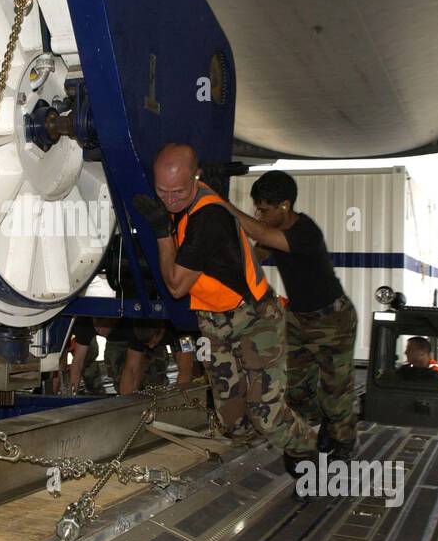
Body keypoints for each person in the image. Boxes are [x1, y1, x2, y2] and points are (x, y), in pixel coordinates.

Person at [133, 144, 316, 467]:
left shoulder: (210, 219)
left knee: (267, 415)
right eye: (162, 191)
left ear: (196, 178)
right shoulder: (186, 196)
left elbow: (176, 287)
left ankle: (314, 456)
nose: (170, 200)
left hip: (254, 320)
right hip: (214, 322)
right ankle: (245, 467)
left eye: (178, 191)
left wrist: (162, 232)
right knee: (230, 418)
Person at [218, 171, 359, 460]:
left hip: (333, 322)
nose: (259, 213)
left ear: (284, 205)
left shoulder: (304, 232)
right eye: (257, 207)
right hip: (297, 320)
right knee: (292, 387)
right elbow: (256, 258)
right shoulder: (275, 235)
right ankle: (318, 425)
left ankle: (343, 440)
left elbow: (258, 232)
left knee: (336, 391)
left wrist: (222, 204)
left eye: (264, 208)